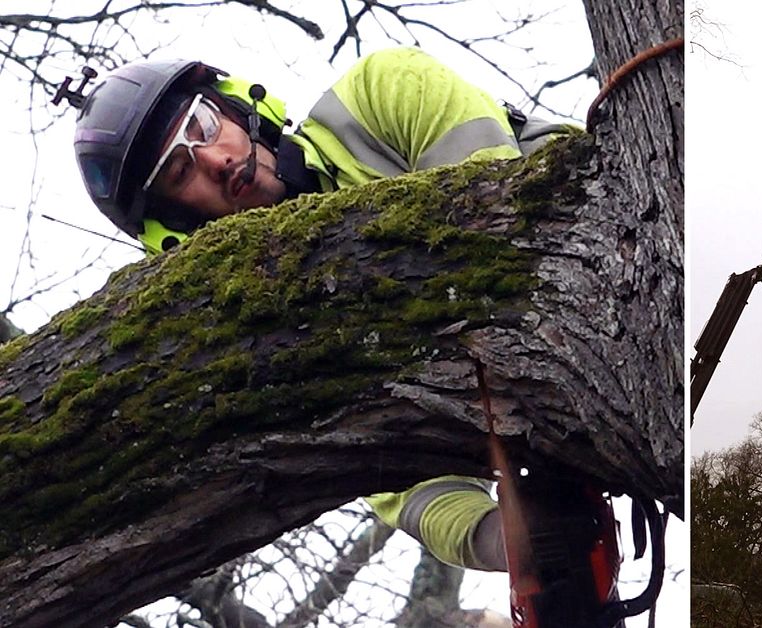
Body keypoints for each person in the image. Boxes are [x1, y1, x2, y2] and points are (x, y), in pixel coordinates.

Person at [66, 47, 569, 572]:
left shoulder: (380, 97)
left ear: (238, 107)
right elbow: (408, 486)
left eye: (204, 126)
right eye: (179, 171)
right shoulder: (290, 351)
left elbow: (503, 218)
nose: (214, 161)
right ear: (174, 223)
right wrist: (511, 541)